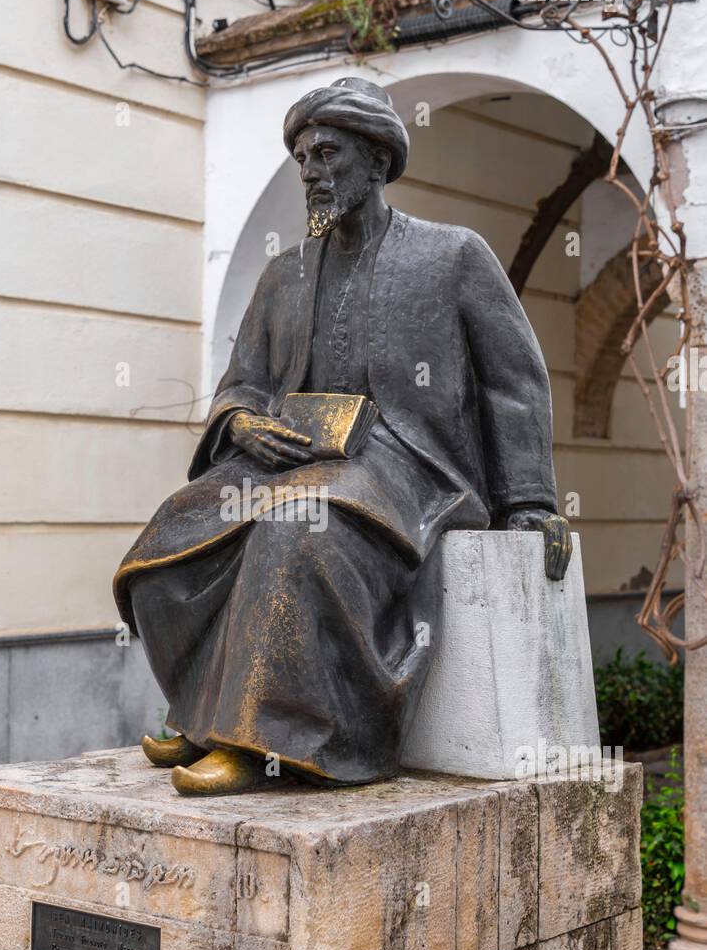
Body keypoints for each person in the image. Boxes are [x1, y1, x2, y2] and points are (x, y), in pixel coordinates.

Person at [114, 77, 572, 796]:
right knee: (174, 534)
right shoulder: (284, 273)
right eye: (302, 157)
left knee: (297, 531)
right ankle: (201, 711)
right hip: (290, 457)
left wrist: (530, 501)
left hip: (409, 463)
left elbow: (512, 381)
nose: (311, 171)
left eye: (326, 153)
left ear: (377, 160)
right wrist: (243, 425)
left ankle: (260, 738)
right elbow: (244, 383)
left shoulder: (453, 256)